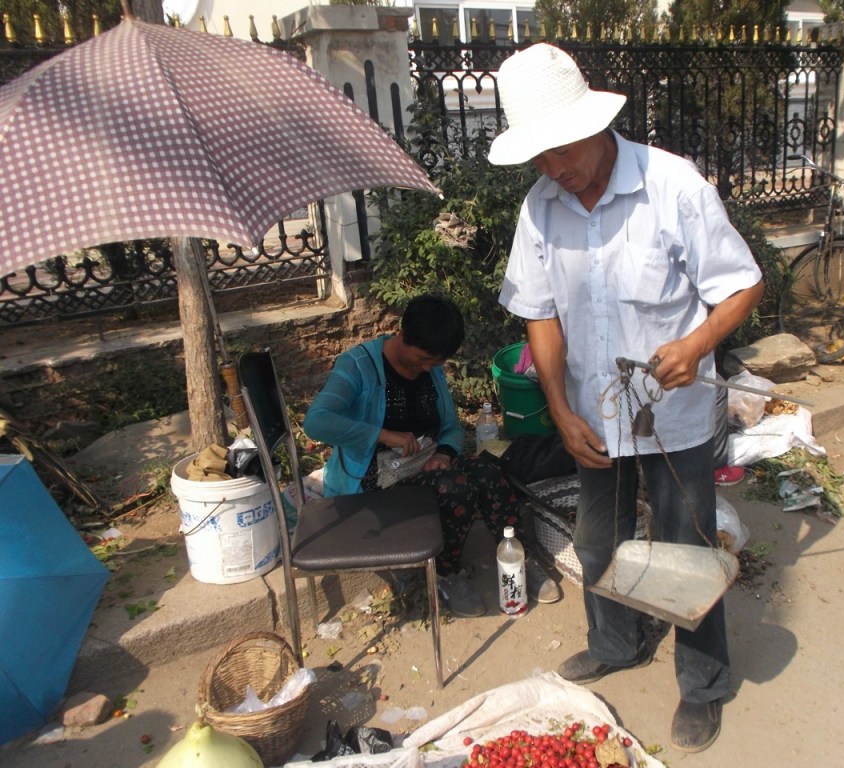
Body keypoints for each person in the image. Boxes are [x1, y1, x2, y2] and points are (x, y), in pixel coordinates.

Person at [490, 44, 764, 753]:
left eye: (563, 150)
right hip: (593, 416)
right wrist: (557, 405)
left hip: (674, 414)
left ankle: (704, 685)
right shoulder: (540, 208)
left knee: (687, 548)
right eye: (539, 158)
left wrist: (696, 345)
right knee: (596, 540)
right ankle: (616, 641)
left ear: (595, 122)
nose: (555, 169)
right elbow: (539, 314)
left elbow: (742, 286)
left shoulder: (673, 186)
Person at [303, 294, 561, 617]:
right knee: (454, 488)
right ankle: (446, 574)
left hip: (424, 466)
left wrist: (444, 452)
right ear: (401, 334)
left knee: (489, 471)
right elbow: (316, 421)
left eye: (434, 362)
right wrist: (382, 434)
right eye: (422, 359)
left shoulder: (433, 372)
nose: (426, 368)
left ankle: (521, 560)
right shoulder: (358, 366)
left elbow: (451, 426)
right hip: (374, 479)